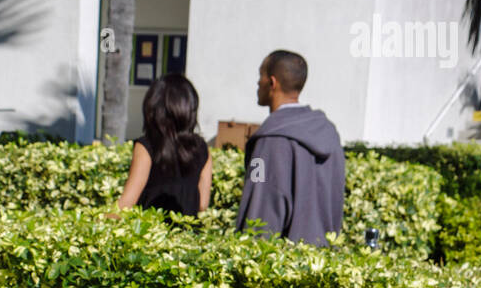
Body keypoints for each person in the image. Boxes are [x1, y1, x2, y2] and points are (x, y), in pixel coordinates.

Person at [236, 50, 345, 245]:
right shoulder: (330, 135)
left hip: (282, 267)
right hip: (323, 263)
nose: (257, 83)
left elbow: (259, 207)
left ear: (272, 83)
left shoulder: (268, 142)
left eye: (260, 76)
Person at [113, 73, 212, 217]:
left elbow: (126, 203)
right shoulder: (202, 148)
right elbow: (203, 204)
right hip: (188, 235)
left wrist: (94, 221)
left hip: (153, 235)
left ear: (153, 108)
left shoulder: (146, 146)